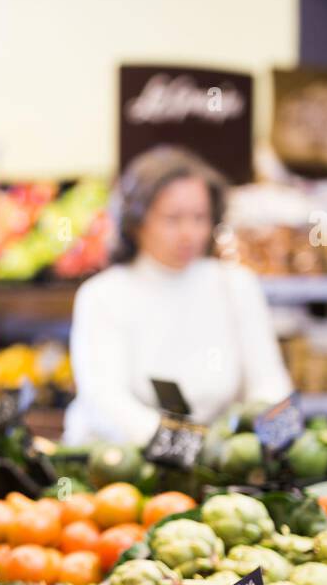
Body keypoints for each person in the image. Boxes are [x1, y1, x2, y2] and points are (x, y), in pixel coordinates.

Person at [64, 146, 292, 446]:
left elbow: (270, 382)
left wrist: (258, 439)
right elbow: (104, 399)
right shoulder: (102, 295)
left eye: (200, 217)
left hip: (212, 461)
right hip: (119, 462)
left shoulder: (237, 286)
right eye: (173, 219)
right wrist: (183, 447)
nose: (189, 233)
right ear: (136, 221)